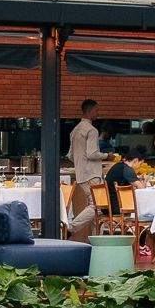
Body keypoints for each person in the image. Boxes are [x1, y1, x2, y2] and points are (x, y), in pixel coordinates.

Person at [66, 99, 109, 240]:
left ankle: (97, 239)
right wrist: (108, 155)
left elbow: (70, 155)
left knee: (97, 209)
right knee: (97, 205)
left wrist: (80, 164)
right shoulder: (92, 130)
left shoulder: (75, 130)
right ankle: (71, 228)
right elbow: (92, 154)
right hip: (92, 174)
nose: (98, 113)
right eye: (97, 110)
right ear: (90, 111)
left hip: (81, 174)